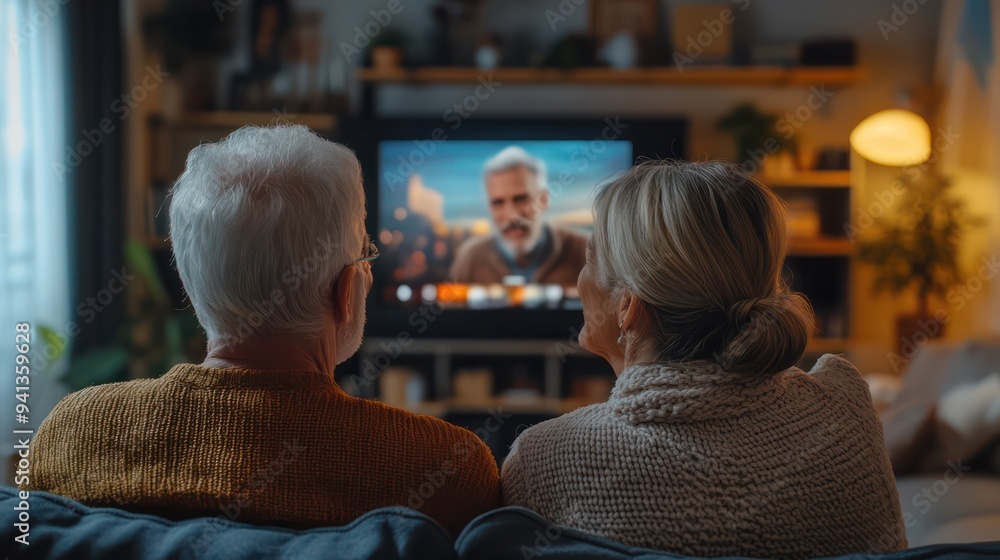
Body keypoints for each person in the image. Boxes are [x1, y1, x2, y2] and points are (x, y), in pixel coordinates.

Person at [22, 125, 500, 536]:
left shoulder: (71, 433)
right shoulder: (448, 469)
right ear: (346, 289)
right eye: (365, 254)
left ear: (190, 284)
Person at [501, 160, 907, 558]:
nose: (580, 278)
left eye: (591, 259)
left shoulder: (544, 458)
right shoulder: (845, 406)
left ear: (627, 306)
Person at [449, 146, 587, 286]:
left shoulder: (585, 252)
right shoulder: (470, 258)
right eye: (498, 203)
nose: (511, 216)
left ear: (543, 200)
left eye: (521, 199)